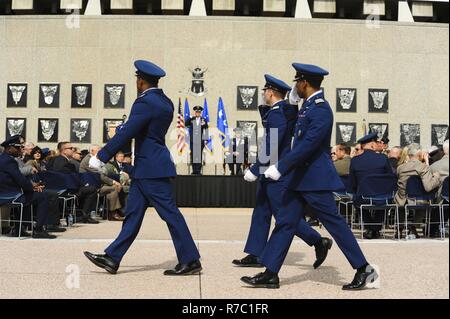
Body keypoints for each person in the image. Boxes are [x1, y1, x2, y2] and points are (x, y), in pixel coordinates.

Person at [242, 63, 376, 290]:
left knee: (334, 224)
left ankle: (363, 268)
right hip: (299, 178)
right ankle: (270, 273)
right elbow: (282, 122)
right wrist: (289, 104)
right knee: (285, 223)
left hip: (314, 178)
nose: (294, 86)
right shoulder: (307, 106)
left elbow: (308, 145)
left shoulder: (321, 109)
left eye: (297, 83)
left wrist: (281, 166)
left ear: (304, 83)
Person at [84, 60, 201, 276]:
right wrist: (127, 127)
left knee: (170, 214)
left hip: (151, 169)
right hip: (149, 167)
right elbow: (143, 129)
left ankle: (191, 259)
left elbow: (130, 132)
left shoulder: (144, 102)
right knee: (133, 215)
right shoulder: (164, 101)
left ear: (140, 81)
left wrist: (101, 156)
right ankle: (112, 258)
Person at [234, 74, 331, 269]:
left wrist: (255, 169)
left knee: (284, 216)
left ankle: (318, 241)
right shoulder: (281, 111)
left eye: (264, 92)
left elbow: (272, 145)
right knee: (261, 212)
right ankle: (256, 253)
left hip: (277, 172)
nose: (263, 95)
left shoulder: (279, 113)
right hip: (270, 170)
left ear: (269, 93)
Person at [0, 136, 56, 239]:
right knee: (42, 197)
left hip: (5, 194)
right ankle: (38, 230)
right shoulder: (9, 161)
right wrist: (32, 187)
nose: (20, 149)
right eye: (18, 147)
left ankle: (18, 229)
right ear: (9, 148)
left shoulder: (3, 158)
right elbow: (19, 179)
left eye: (21, 147)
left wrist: (31, 186)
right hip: (9, 196)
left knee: (27, 195)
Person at [349, 133, 395, 239]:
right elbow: (390, 177)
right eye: (377, 143)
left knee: (356, 200)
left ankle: (370, 227)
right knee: (385, 200)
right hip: (381, 196)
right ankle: (376, 228)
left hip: (364, 196)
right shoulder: (383, 158)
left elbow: (353, 183)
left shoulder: (355, 161)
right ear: (372, 145)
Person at [395, 143, 441, 238]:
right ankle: (414, 225)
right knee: (424, 201)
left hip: (402, 199)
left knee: (401, 202)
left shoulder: (400, 168)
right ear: (420, 154)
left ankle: (399, 228)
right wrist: (436, 177)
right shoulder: (422, 167)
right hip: (417, 200)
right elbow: (428, 186)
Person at [51, 142, 99, 224]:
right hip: (65, 189)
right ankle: (84, 215)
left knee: (89, 188)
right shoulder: (61, 161)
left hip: (68, 187)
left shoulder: (63, 160)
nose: (72, 149)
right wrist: (82, 184)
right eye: (70, 148)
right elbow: (67, 176)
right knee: (92, 189)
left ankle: (81, 215)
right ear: (64, 151)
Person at [80, 144, 124, 221]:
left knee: (114, 188)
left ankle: (112, 212)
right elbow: (101, 175)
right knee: (113, 188)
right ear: (92, 151)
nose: (101, 153)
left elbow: (103, 173)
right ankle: (112, 212)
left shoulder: (95, 159)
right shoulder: (89, 160)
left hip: (96, 183)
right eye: (99, 151)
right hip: (90, 185)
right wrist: (113, 182)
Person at [185, 105, 209, 175]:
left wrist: (205, 139)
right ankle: (194, 170)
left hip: (200, 140)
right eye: (196, 112)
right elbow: (186, 124)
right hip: (193, 140)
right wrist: (190, 117)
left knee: (199, 155)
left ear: (200, 113)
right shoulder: (192, 119)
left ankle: (198, 170)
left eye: (199, 112)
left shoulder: (203, 120)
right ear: (195, 112)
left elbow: (206, 129)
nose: (197, 113)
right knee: (193, 155)